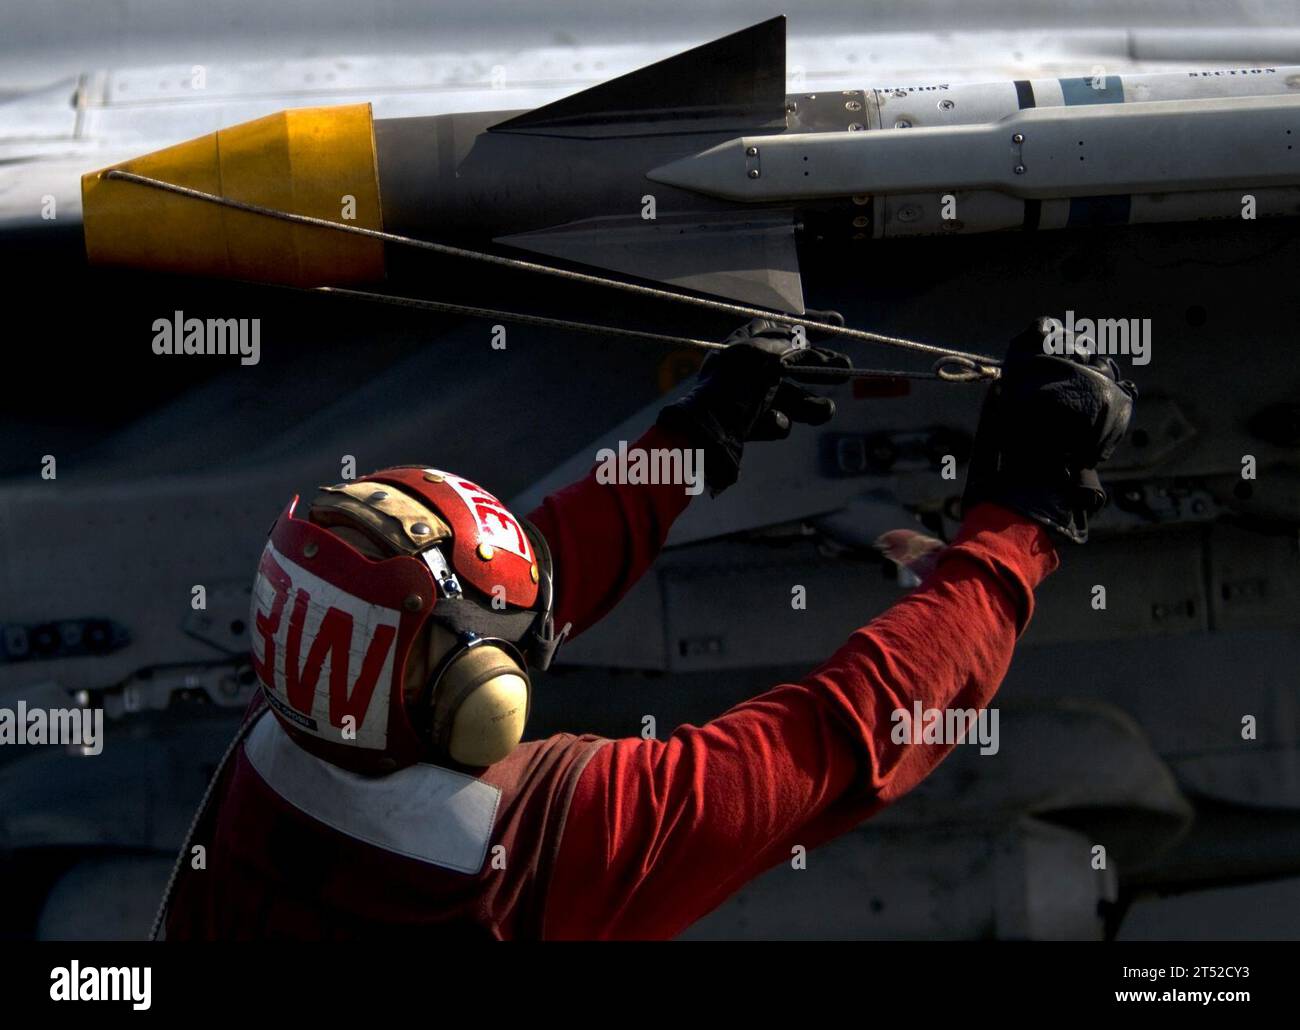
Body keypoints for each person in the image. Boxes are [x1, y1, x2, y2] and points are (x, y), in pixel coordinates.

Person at [163, 317, 1135, 940]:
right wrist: (1022, 523)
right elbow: (845, 736)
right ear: (476, 703)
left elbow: (520, 584)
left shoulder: (296, 723)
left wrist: (684, 446)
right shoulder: (539, 856)